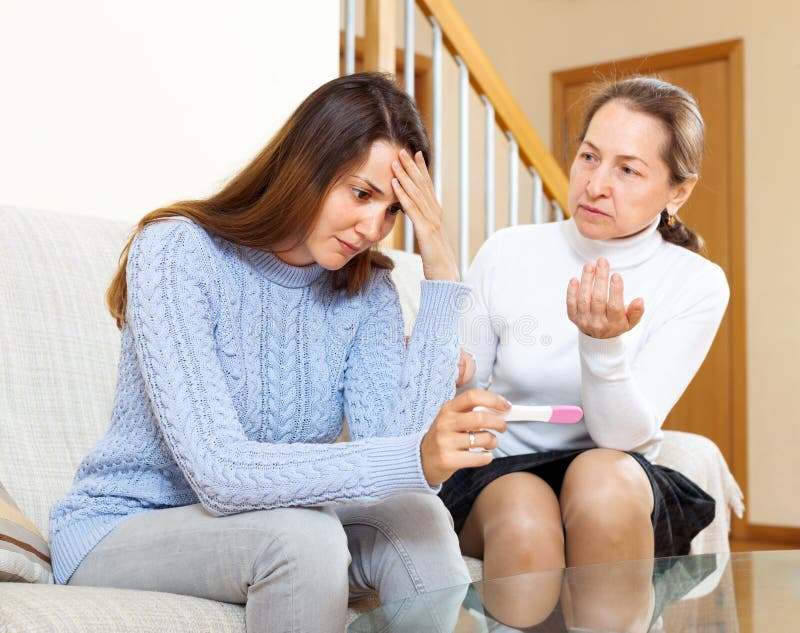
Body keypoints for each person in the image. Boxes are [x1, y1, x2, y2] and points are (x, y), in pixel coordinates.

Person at [49, 72, 509, 633]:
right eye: (361, 194)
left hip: (269, 521)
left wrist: (440, 270)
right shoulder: (177, 253)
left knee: (419, 518)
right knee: (304, 538)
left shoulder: (367, 292)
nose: (372, 228)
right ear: (307, 167)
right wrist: (411, 455)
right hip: (125, 525)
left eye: (394, 211)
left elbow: (404, 471)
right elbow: (219, 472)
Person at [444, 76, 728, 583]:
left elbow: (621, 438)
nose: (596, 185)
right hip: (502, 470)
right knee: (524, 513)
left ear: (678, 192)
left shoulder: (696, 283)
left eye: (628, 170)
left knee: (600, 478)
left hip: (615, 471)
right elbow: (467, 388)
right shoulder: (508, 251)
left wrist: (602, 346)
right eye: (590, 157)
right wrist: (448, 370)